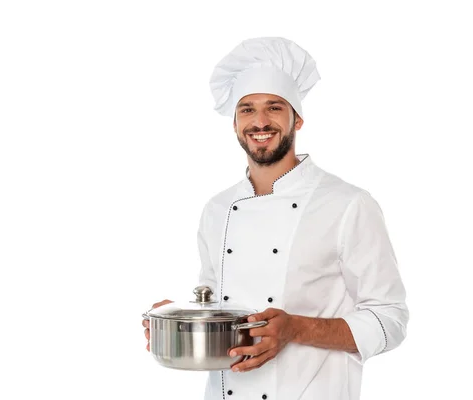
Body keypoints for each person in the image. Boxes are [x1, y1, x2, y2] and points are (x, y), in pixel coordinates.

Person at [142, 37, 409, 400]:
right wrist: (179, 323)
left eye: (274, 107)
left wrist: (295, 329)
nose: (260, 122)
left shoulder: (348, 204)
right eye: (247, 110)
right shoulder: (217, 209)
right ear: (235, 123)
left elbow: (390, 320)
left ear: (297, 119)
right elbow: (218, 307)